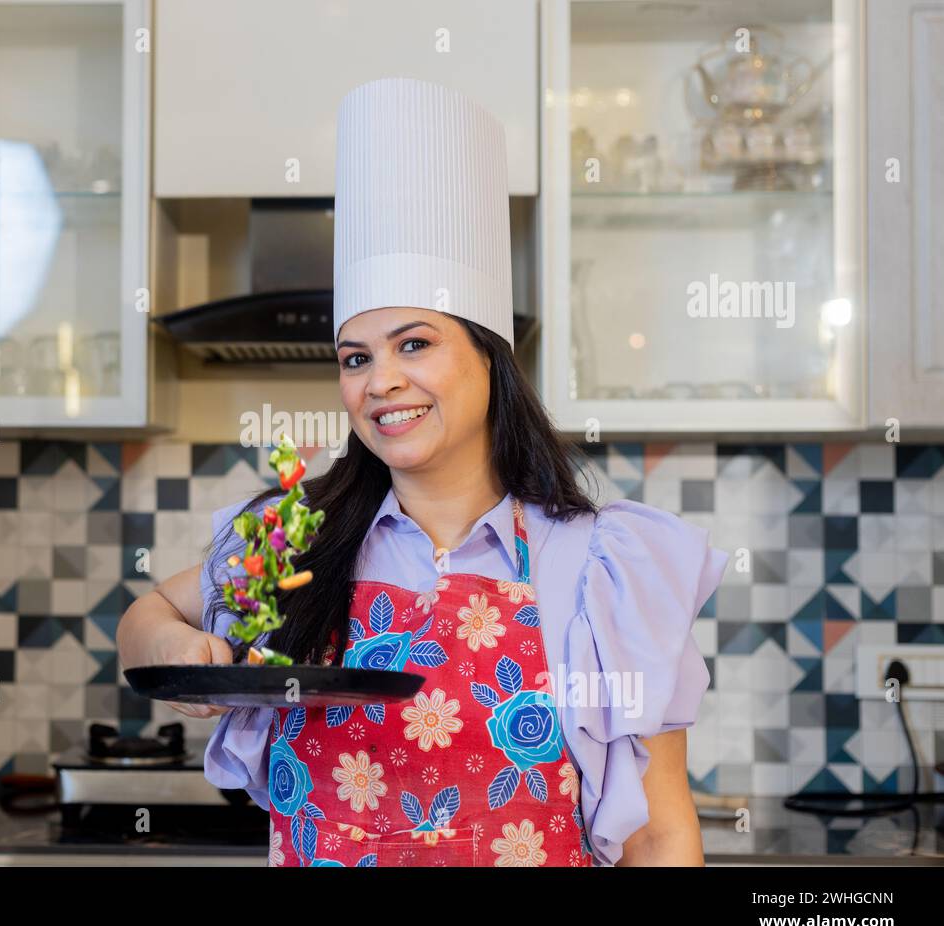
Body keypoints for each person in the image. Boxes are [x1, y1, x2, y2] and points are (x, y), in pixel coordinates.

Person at [116, 77, 728, 866]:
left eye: (415, 345)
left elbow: (658, 830)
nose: (381, 382)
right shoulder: (297, 545)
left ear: (488, 354)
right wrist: (173, 642)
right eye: (355, 358)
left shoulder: (604, 567)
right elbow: (143, 622)